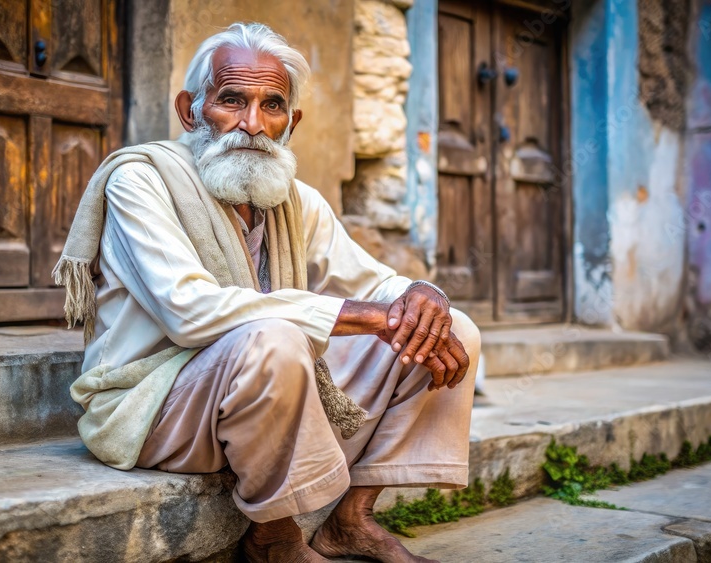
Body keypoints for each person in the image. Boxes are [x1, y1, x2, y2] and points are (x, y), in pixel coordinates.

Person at [54, 22, 481, 563]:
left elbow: (375, 284)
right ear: (192, 110)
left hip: (252, 394)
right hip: (153, 406)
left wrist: (423, 292)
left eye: (271, 105)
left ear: (291, 121)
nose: (252, 125)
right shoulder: (143, 181)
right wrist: (370, 316)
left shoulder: (293, 201)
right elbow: (190, 311)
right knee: (275, 339)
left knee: (448, 328)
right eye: (231, 100)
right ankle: (276, 540)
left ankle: (352, 518)